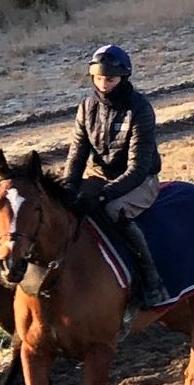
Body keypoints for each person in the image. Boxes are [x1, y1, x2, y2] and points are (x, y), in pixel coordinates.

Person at [62, 43, 171, 310]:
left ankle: (151, 281)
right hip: (101, 176)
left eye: (109, 79)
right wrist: (67, 189)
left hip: (140, 181)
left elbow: (138, 168)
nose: (103, 84)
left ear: (123, 77)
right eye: (98, 78)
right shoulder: (86, 108)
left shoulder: (140, 109)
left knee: (111, 211)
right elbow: (77, 156)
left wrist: (103, 195)